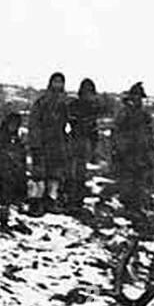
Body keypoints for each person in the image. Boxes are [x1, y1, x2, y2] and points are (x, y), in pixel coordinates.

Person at [110, 82, 154, 230]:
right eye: (135, 96)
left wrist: (150, 153)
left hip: (141, 155)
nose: (138, 99)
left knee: (139, 183)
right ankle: (128, 210)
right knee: (127, 182)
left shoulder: (145, 115)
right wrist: (120, 150)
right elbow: (117, 133)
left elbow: (149, 135)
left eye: (140, 97)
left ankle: (136, 209)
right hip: (127, 155)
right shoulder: (124, 113)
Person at [26, 72, 70, 216]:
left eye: (60, 82)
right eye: (55, 81)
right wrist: (35, 142)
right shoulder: (42, 102)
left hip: (57, 143)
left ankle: (51, 201)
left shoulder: (64, 103)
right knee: (38, 173)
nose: (58, 85)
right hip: (42, 141)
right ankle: (35, 202)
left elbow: (67, 124)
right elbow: (34, 123)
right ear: (50, 83)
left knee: (55, 174)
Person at [65, 77, 101, 208]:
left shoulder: (93, 108)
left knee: (80, 172)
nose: (88, 95)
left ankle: (77, 200)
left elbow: (94, 129)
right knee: (70, 170)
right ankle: (68, 197)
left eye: (90, 92)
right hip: (73, 140)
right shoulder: (73, 105)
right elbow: (67, 123)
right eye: (86, 92)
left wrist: (94, 146)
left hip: (84, 142)